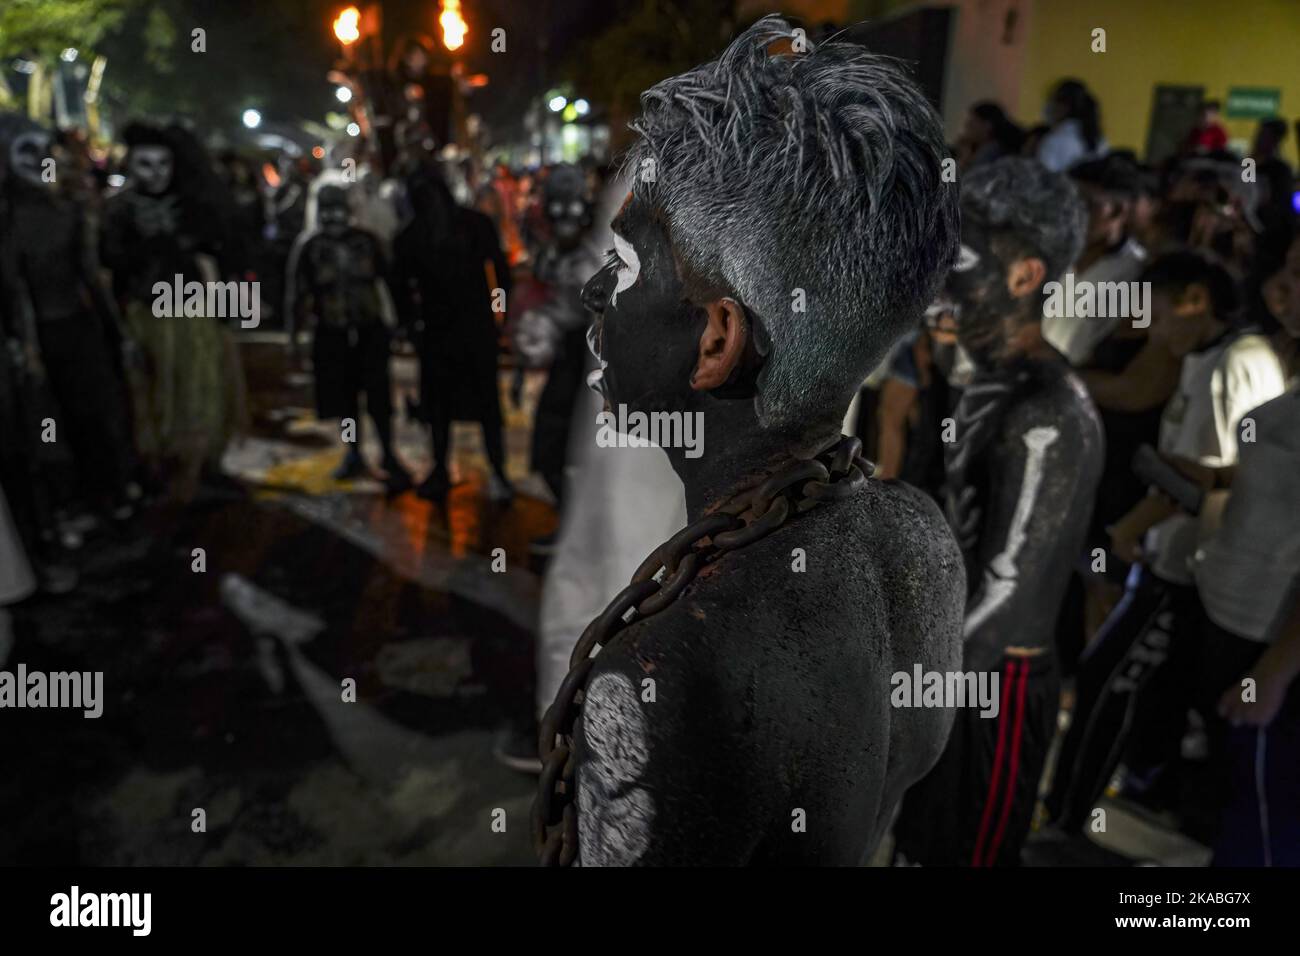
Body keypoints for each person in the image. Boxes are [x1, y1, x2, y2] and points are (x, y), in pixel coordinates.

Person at [536, 16, 964, 866]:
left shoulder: (662, 675)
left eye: (623, 265)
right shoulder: (923, 543)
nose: (593, 288)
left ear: (717, 340)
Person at [891, 158, 1100, 867]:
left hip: (992, 686)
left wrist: (912, 695)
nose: (937, 287)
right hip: (953, 665)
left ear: (1024, 277)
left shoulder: (1046, 411)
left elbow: (1005, 593)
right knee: (922, 846)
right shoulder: (977, 384)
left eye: (959, 265)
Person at [1045, 251, 1287, 834]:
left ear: (1194, 301)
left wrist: (1131, 527)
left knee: (1108, 685)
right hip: (1171, 562)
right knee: (1133, 692)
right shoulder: (1205, 356)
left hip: (1183, 572)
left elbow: (1204, 475)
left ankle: (1064, 821)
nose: (1152, 331)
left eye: (1157, 314)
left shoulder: (1234, 364)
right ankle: (1106, 805)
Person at [1197, 232, 1300, 864]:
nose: (1280, 286)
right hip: (1237, 620)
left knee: (1262, 832)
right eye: (1286, 267)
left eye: (1297, 272)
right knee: (1237, 813)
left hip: (1273, 639)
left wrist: (1276, 671)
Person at [393, 160, 513, 503]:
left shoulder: (464, 227)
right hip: (449, 331)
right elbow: (400, 287)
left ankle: (492, 472)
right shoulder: (419, 234)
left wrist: (499, 313)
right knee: (447, 407)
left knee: (475, 407)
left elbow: (500, 274)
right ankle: (459, 470)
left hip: (463, 330)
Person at [285, 184, 411, 491]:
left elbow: (393, 281)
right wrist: (295, 338)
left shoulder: (367, 242)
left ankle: (388, 452)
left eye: (337, 207)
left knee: (379, 396)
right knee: (345, 400)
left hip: (369, 329)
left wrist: (403, 324)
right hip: (332, 332)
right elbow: (296, 294)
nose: (333, 215)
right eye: (327, 208)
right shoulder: (310, 246)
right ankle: (354, 452)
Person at [1042, 155, 1149, 367]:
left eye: (1084, 205)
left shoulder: (1138, 276)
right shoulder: (1055, 257)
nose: (1070, 215)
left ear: (1118, 211)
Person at [1037, 79, 1105, 173]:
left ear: (1064, 107)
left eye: (1052, 101)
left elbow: (1042, 182)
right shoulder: (1101, 141)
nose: (1049, 107)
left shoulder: (1054, 141)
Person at [956, 101, 1024, 171]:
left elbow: (970, 178)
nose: (966, 128)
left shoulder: (990, 152)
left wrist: (964, 159)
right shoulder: (989, 150)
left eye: (971, 124)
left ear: (987, 125)